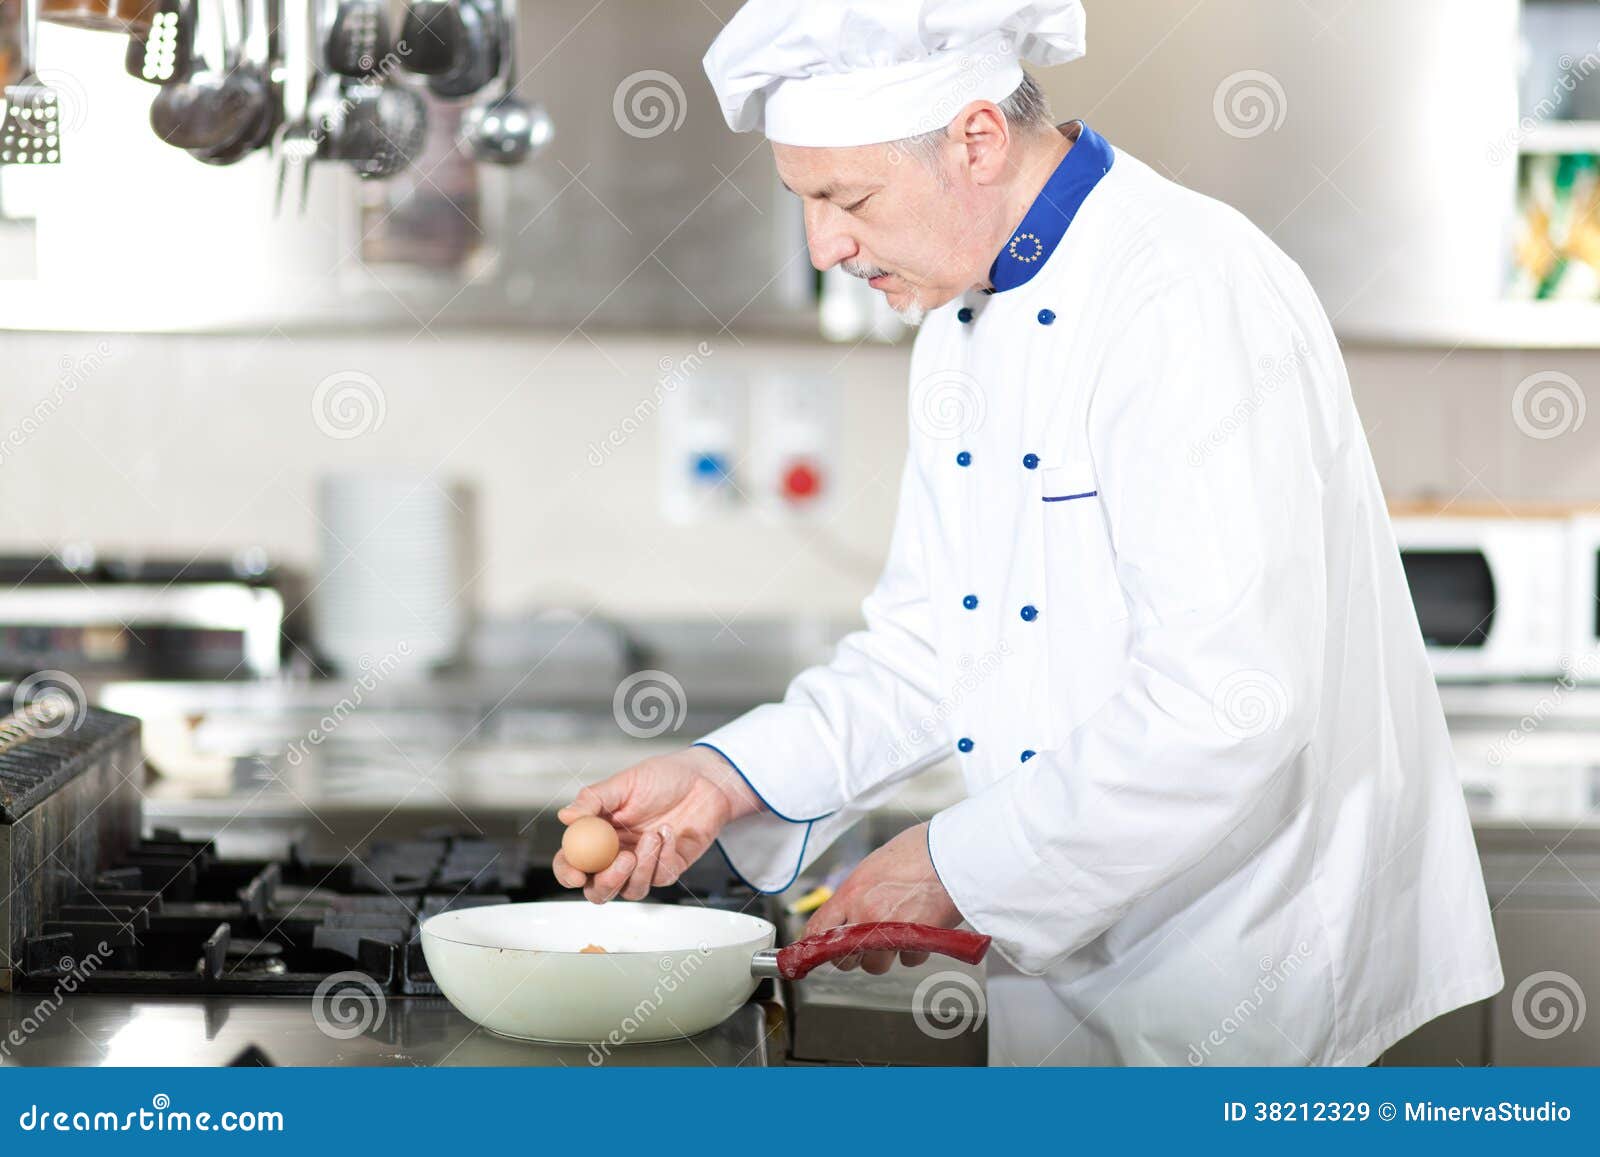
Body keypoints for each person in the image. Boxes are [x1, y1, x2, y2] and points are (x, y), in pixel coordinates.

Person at [553, 0, 1503, 1065]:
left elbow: (1225, 700)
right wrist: (727, 777)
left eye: (846, 197)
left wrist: (954, 864)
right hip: (1072, 968)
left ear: (975, 138)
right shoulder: (963, 311)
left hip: (1244, 975)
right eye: (801, 202)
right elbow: (932, 647)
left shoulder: (1180, 293)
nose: (824, 245)